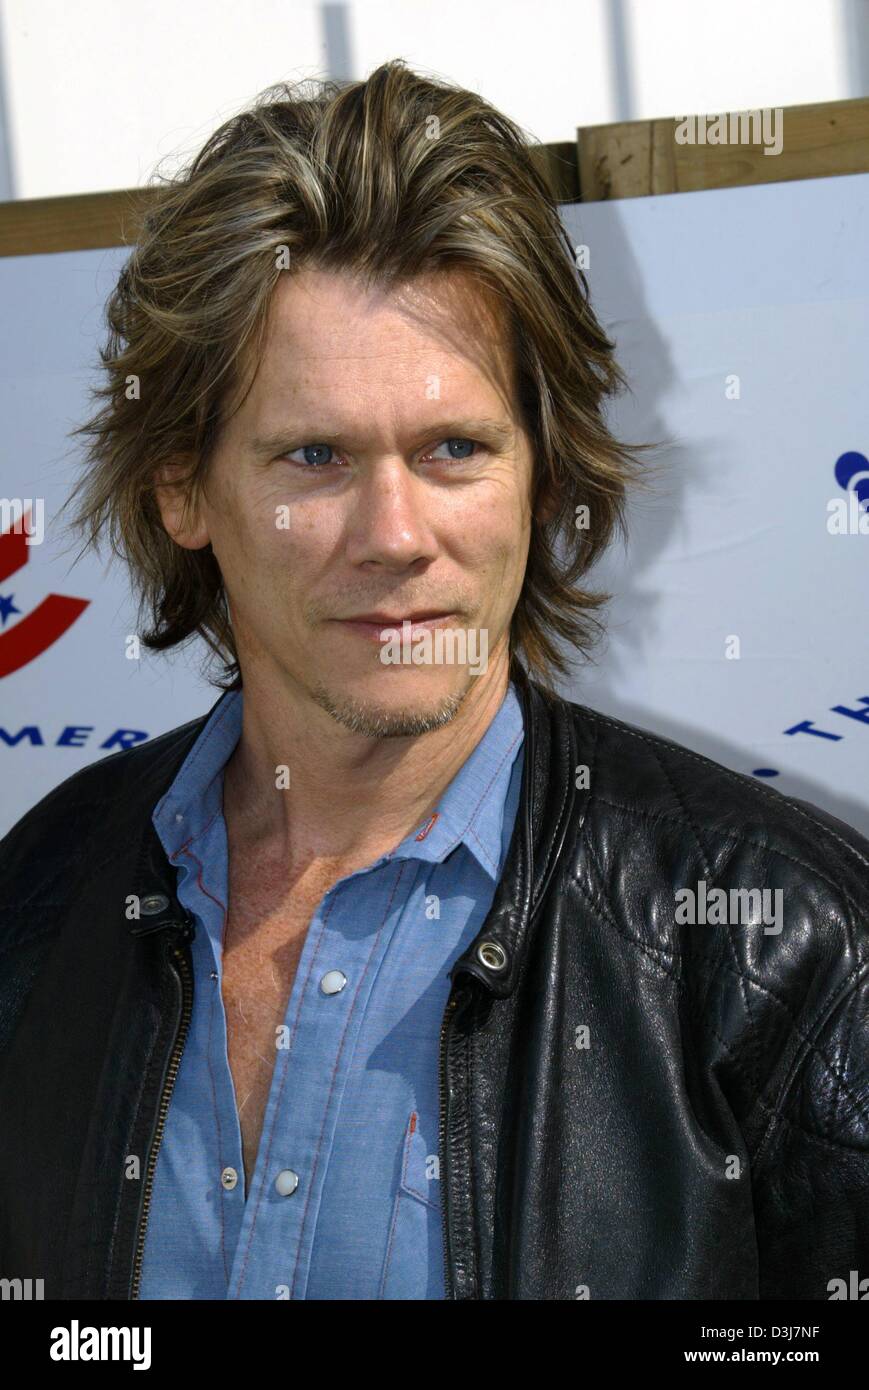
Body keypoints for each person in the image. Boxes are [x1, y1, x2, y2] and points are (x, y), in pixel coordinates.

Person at [1, 59, 867, 1302]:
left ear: (543, 476)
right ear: (182, 489)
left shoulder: (785, 947)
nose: (394, 532)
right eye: (314, 454)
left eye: (453, 447)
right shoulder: (40, 900)